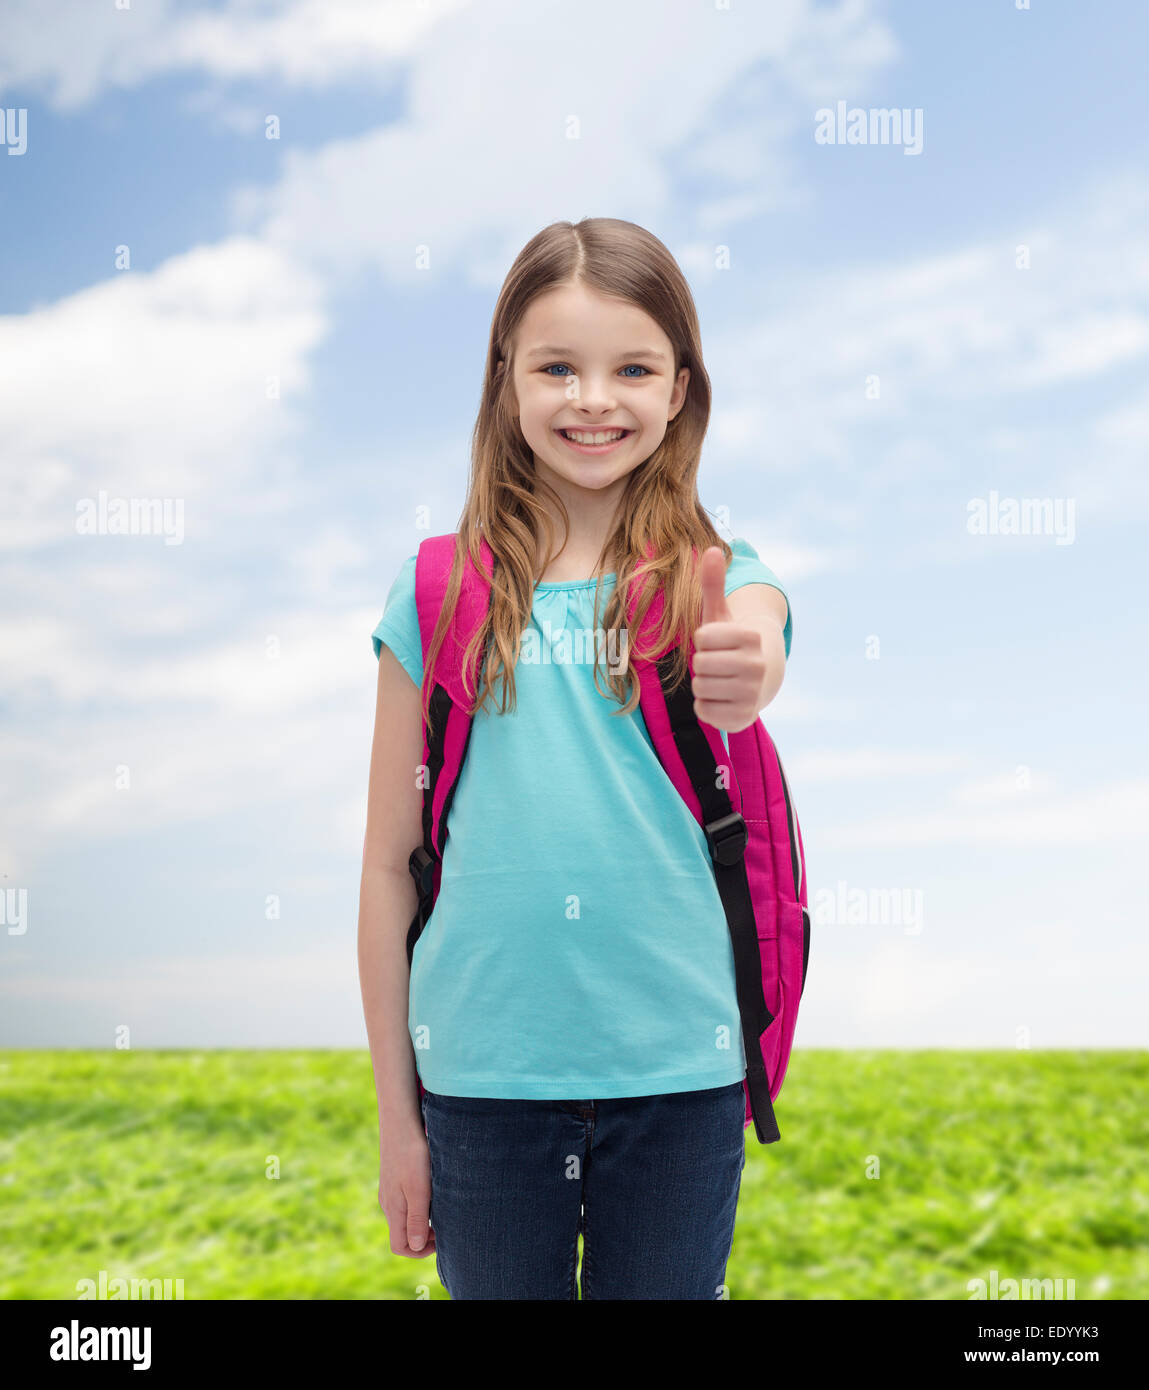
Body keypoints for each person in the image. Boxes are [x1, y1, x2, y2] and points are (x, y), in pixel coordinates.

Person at [358, 217, 793, 1300]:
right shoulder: (433, 595)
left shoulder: (712, 578)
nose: (593, 399)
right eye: (557, 366)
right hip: (481, 1081)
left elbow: (763, 622)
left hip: (683, 1076)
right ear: (506, 381)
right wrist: (396, 1121)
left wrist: (753, 658)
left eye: (632, 368)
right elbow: (385, 867)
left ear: (681, 388)